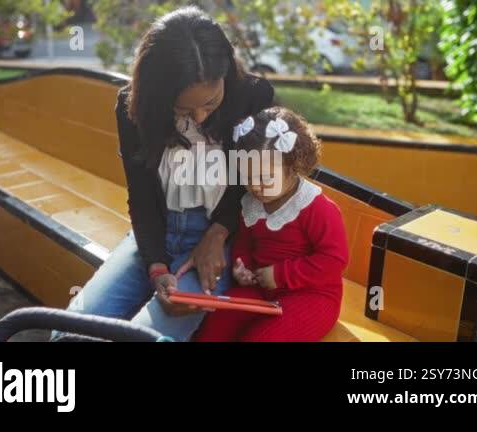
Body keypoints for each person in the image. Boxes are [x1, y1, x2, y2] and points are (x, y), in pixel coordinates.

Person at [52, 6, 274, 342]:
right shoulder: (133, 108)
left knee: (145, 338)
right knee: (69, 333)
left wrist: (217, 234)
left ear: (226, 71)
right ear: (159, 93)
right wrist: (156, 266)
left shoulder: (252, 96)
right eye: (184, 108)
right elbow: (141, 196)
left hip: (224, 239)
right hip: (155, 233)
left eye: (211, 103)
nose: (199, 117)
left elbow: (253, 182)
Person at [195, 107, 349, 342]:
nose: (256, 186)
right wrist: (242, 267)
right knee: (215, 321)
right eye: (247, 178)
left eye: (265, 178)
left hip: (313, 296)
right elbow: (245, 244)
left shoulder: (315, 206)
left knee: (261, 339)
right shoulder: (252, 203)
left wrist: (281, 275)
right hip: (262, 288)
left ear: (293, 165)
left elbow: (334, 260)